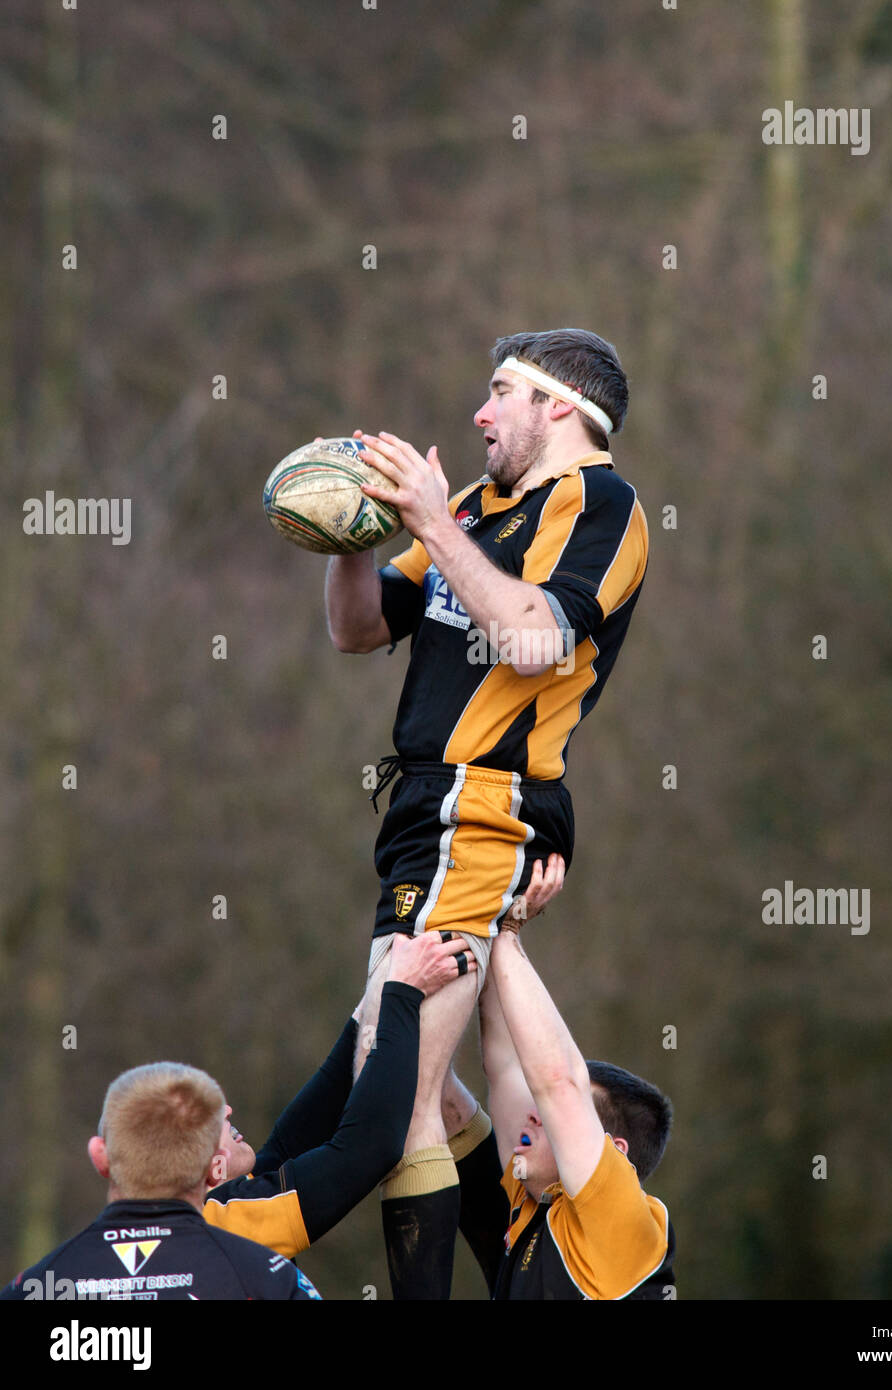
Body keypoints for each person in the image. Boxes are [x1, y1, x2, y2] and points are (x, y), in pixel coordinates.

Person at [325, 328, 648, 1299]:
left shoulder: (604, 504)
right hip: (420, 812)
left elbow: (532, 640)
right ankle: (516, 1275)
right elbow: (359, 628)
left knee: (397, 1098)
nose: (478, 413)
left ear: (558, 406)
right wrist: (350, 542)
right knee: (392, 1084)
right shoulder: (470, 508)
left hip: (483, 805)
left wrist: (432, 524)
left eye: (499, 392)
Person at [446, 856, 676, 1300]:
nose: (534, 1116)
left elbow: (559, 1082)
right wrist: (489, 915)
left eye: (554, 1115)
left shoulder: (622, 1223)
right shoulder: (537, 1201)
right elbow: (510, 1067)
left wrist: (509, 932)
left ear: (616, 1153)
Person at [202, 929, 473, 1258]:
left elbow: (303, 1128)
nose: (225, 1109)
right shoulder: (216, 1224)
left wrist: (381, 991)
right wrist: (403, 994)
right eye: (199, 1114)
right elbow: (371, 1147)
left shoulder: (187, 1212)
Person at [1, 1063, 322, 1301]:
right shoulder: (268, 1278)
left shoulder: (32, 1288)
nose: (228, 1111)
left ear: (99, 1156)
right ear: (213, 1169)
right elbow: (351, 1151)